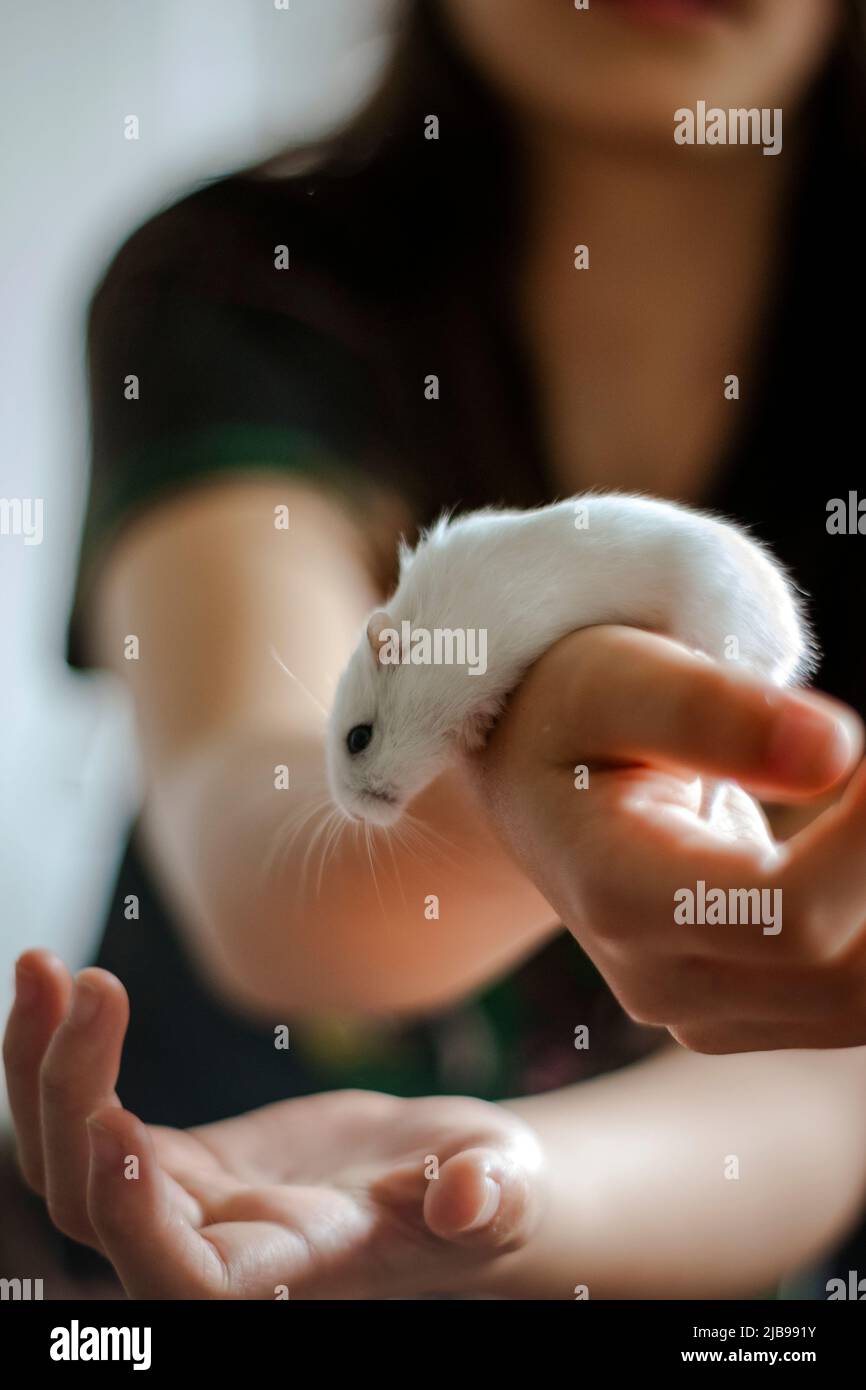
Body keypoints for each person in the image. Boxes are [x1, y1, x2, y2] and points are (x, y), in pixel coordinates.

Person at [4, 0, 866, 1299]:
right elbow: (261, 806)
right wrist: (504, 795)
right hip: (137, 1241)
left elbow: (831, 1081)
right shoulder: (244, 285)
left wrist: (492, 1181)